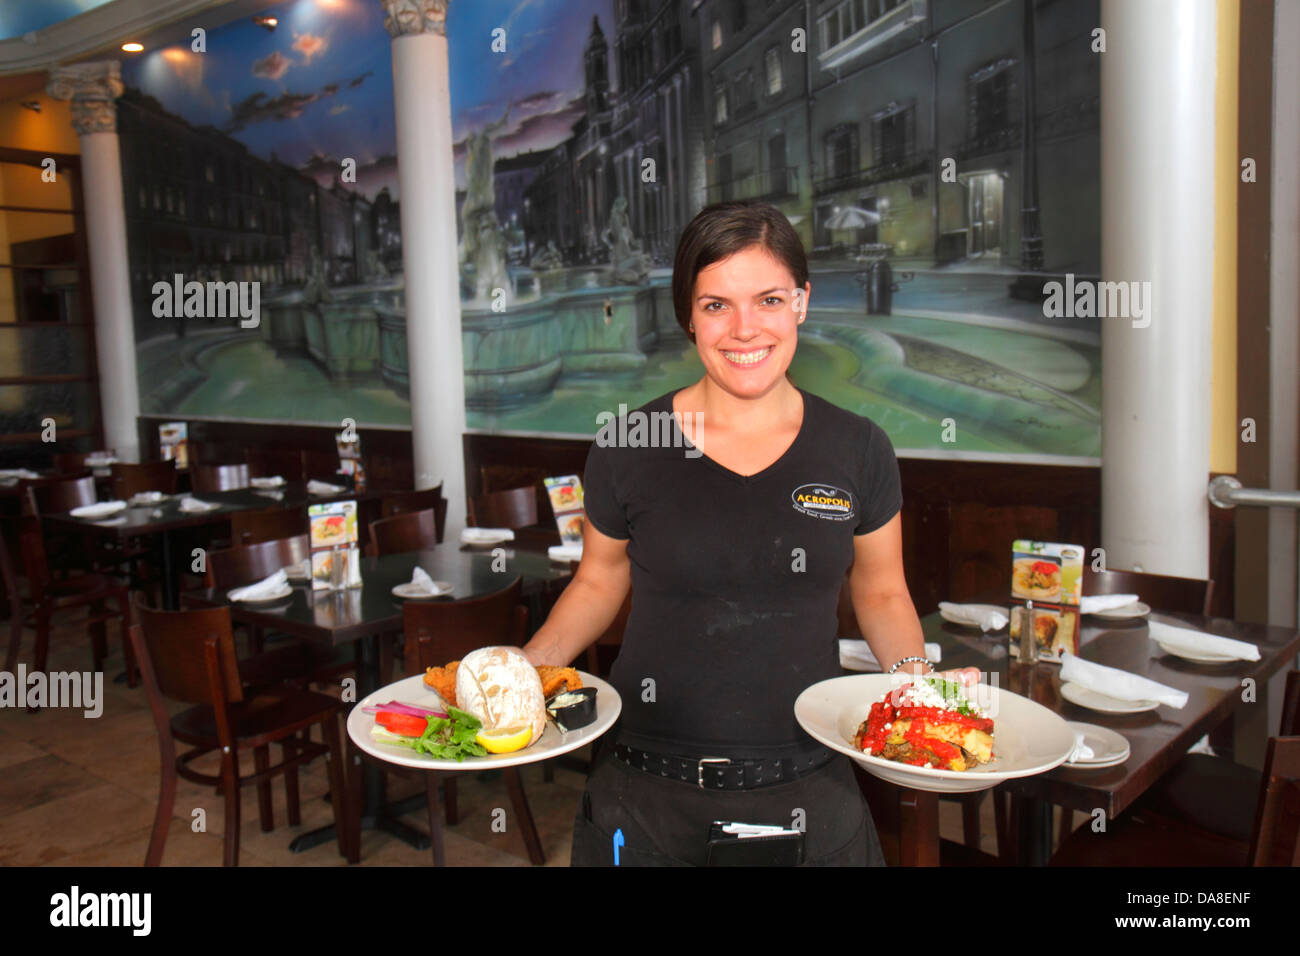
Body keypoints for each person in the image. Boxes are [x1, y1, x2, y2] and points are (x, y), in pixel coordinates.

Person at [523, 200, 952, 866]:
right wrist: (522, 671)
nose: (744, 328)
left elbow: (884, 592)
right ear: (688, 317)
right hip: (644, 792)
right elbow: (599, 579)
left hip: (811, 782)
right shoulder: (629, 442)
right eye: (717, 304)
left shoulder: (859, 448)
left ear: (802, 303)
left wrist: (919, 688)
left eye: (769, 299)